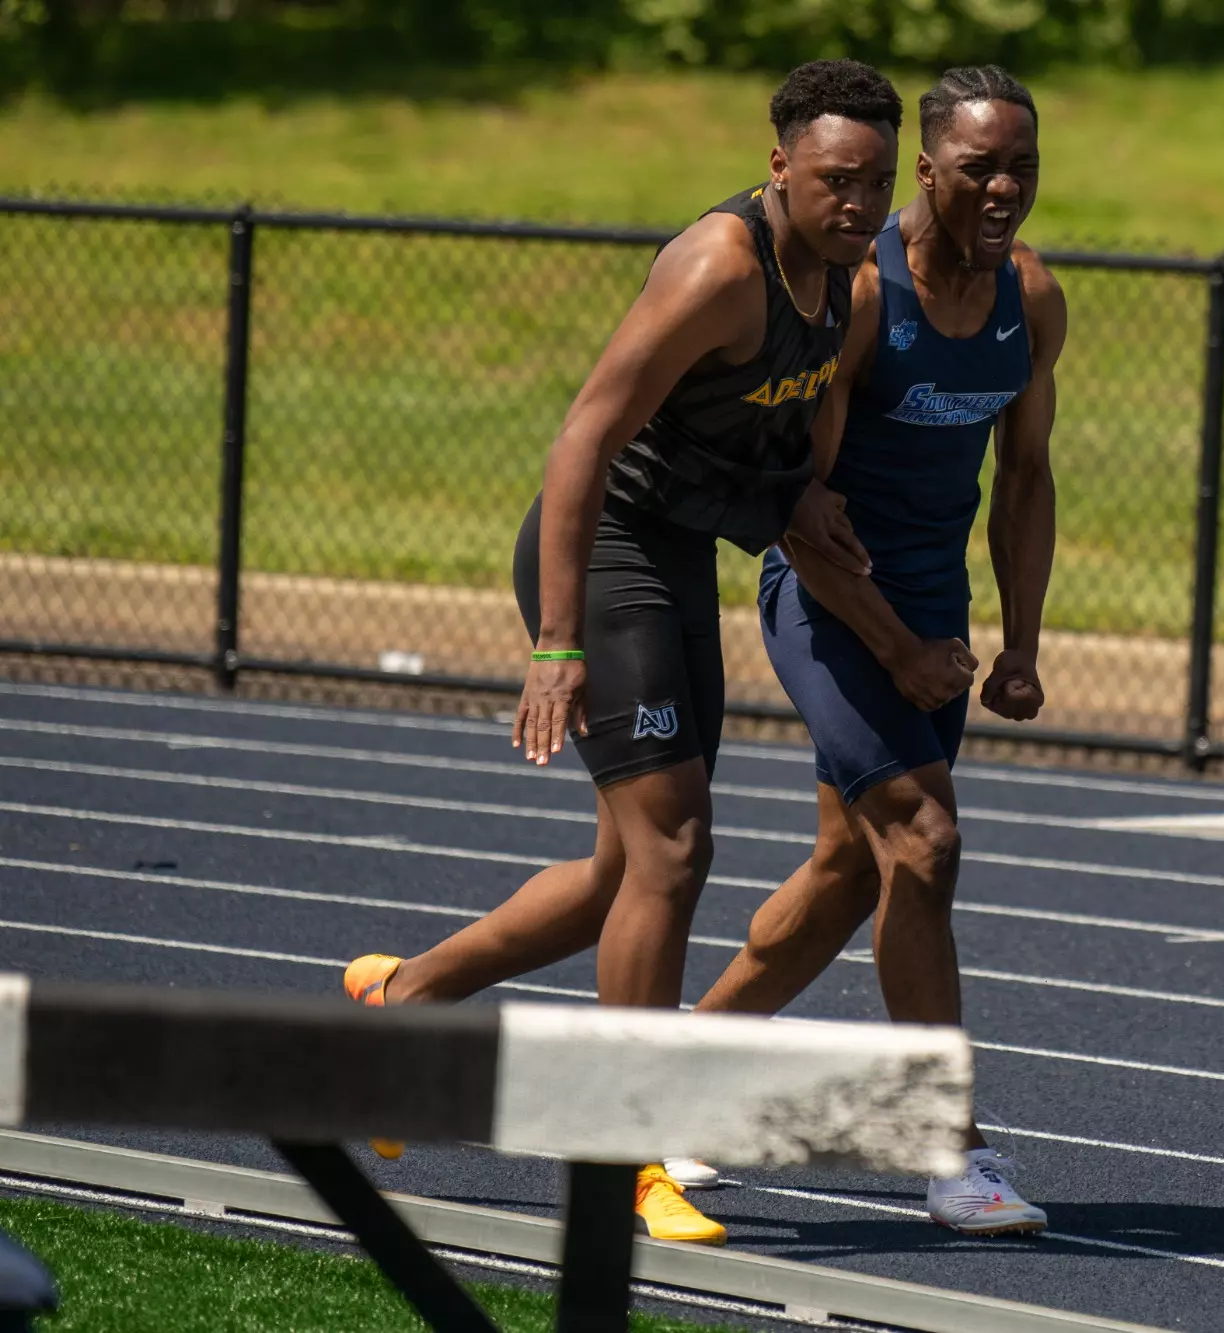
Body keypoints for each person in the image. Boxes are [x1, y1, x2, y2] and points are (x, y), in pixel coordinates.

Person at [339, 59, 902, 1247]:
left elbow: (795, 445)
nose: (858, 203)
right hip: (597, 552)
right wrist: (553, 643)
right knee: (676, 847)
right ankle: (623, 1152)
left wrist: (812, 520)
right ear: (780, 168)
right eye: (836, 178)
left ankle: (406, 999)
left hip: (677, 557)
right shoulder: (718, 267)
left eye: (876, 182)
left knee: (622, 874)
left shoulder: (851, 292)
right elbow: (585, 432)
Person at [694, 65, 1065, 1237]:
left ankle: (666, 1081)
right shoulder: (863, 293)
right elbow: (799, 501)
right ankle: (950, 1147)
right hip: (826, 596)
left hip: (933, 618)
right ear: (926, 170)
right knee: (924, 836)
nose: (1002, 189)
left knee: (850, 874)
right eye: (978, 168)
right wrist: (896, 646)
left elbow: (1025, 478)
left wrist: (1018, 642)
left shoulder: (1031, 296)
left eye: (1022, 167)